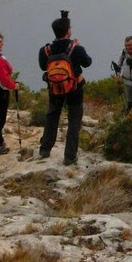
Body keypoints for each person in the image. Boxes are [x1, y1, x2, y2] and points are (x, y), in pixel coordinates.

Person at [38, 11, 92, 165]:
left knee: (52, 116)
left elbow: (43, 66)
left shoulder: (45, 50)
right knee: (74, 120)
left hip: (54, 88)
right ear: (68, 31)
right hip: (74, 88)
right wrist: (78, 46)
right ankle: (69, 156)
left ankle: (45, 149)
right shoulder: (76, 49)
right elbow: (87, 62)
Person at [114, 35, 132, 114]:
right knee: (129, 102)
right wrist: (117, 75)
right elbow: (118, 66)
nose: (127, 47)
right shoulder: (123, 53)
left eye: (129, 45)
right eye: (126, 45)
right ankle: (130, 119)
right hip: (126, 83)